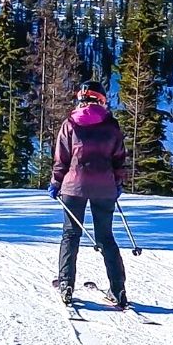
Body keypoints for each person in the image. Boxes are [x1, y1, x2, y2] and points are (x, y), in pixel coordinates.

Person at [48, 81, 128, 307]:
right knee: (106, 237)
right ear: (101, 100)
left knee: (71, 235)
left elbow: (61, 159)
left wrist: (56, 183)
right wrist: (117, 182)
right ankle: (118, 290)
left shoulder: (70, 124)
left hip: (74, 187)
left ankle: (66, 285)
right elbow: (119, 159)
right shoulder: (112, 126)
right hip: (104, 188)